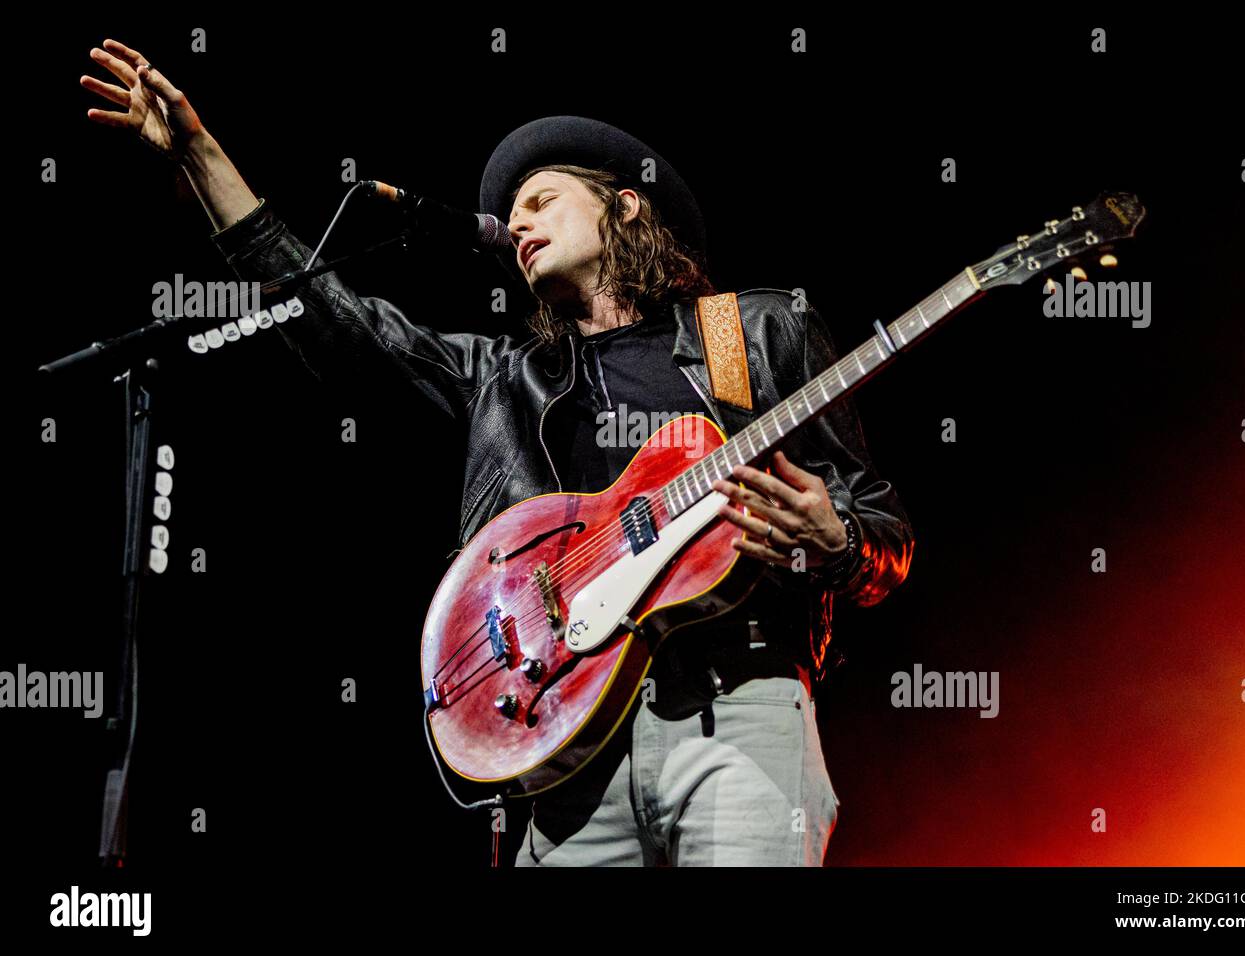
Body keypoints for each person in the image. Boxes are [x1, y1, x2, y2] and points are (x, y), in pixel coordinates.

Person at [83, 38, 915, 866]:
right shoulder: (505, 380)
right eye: (513, 213)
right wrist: (200, 155)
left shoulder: (758, 332)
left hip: (733, 711)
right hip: (561, 750)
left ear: (626, 206)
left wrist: (835, 538)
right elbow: (335, 324)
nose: (516, 224)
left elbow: (883, 529)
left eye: (542, 201)